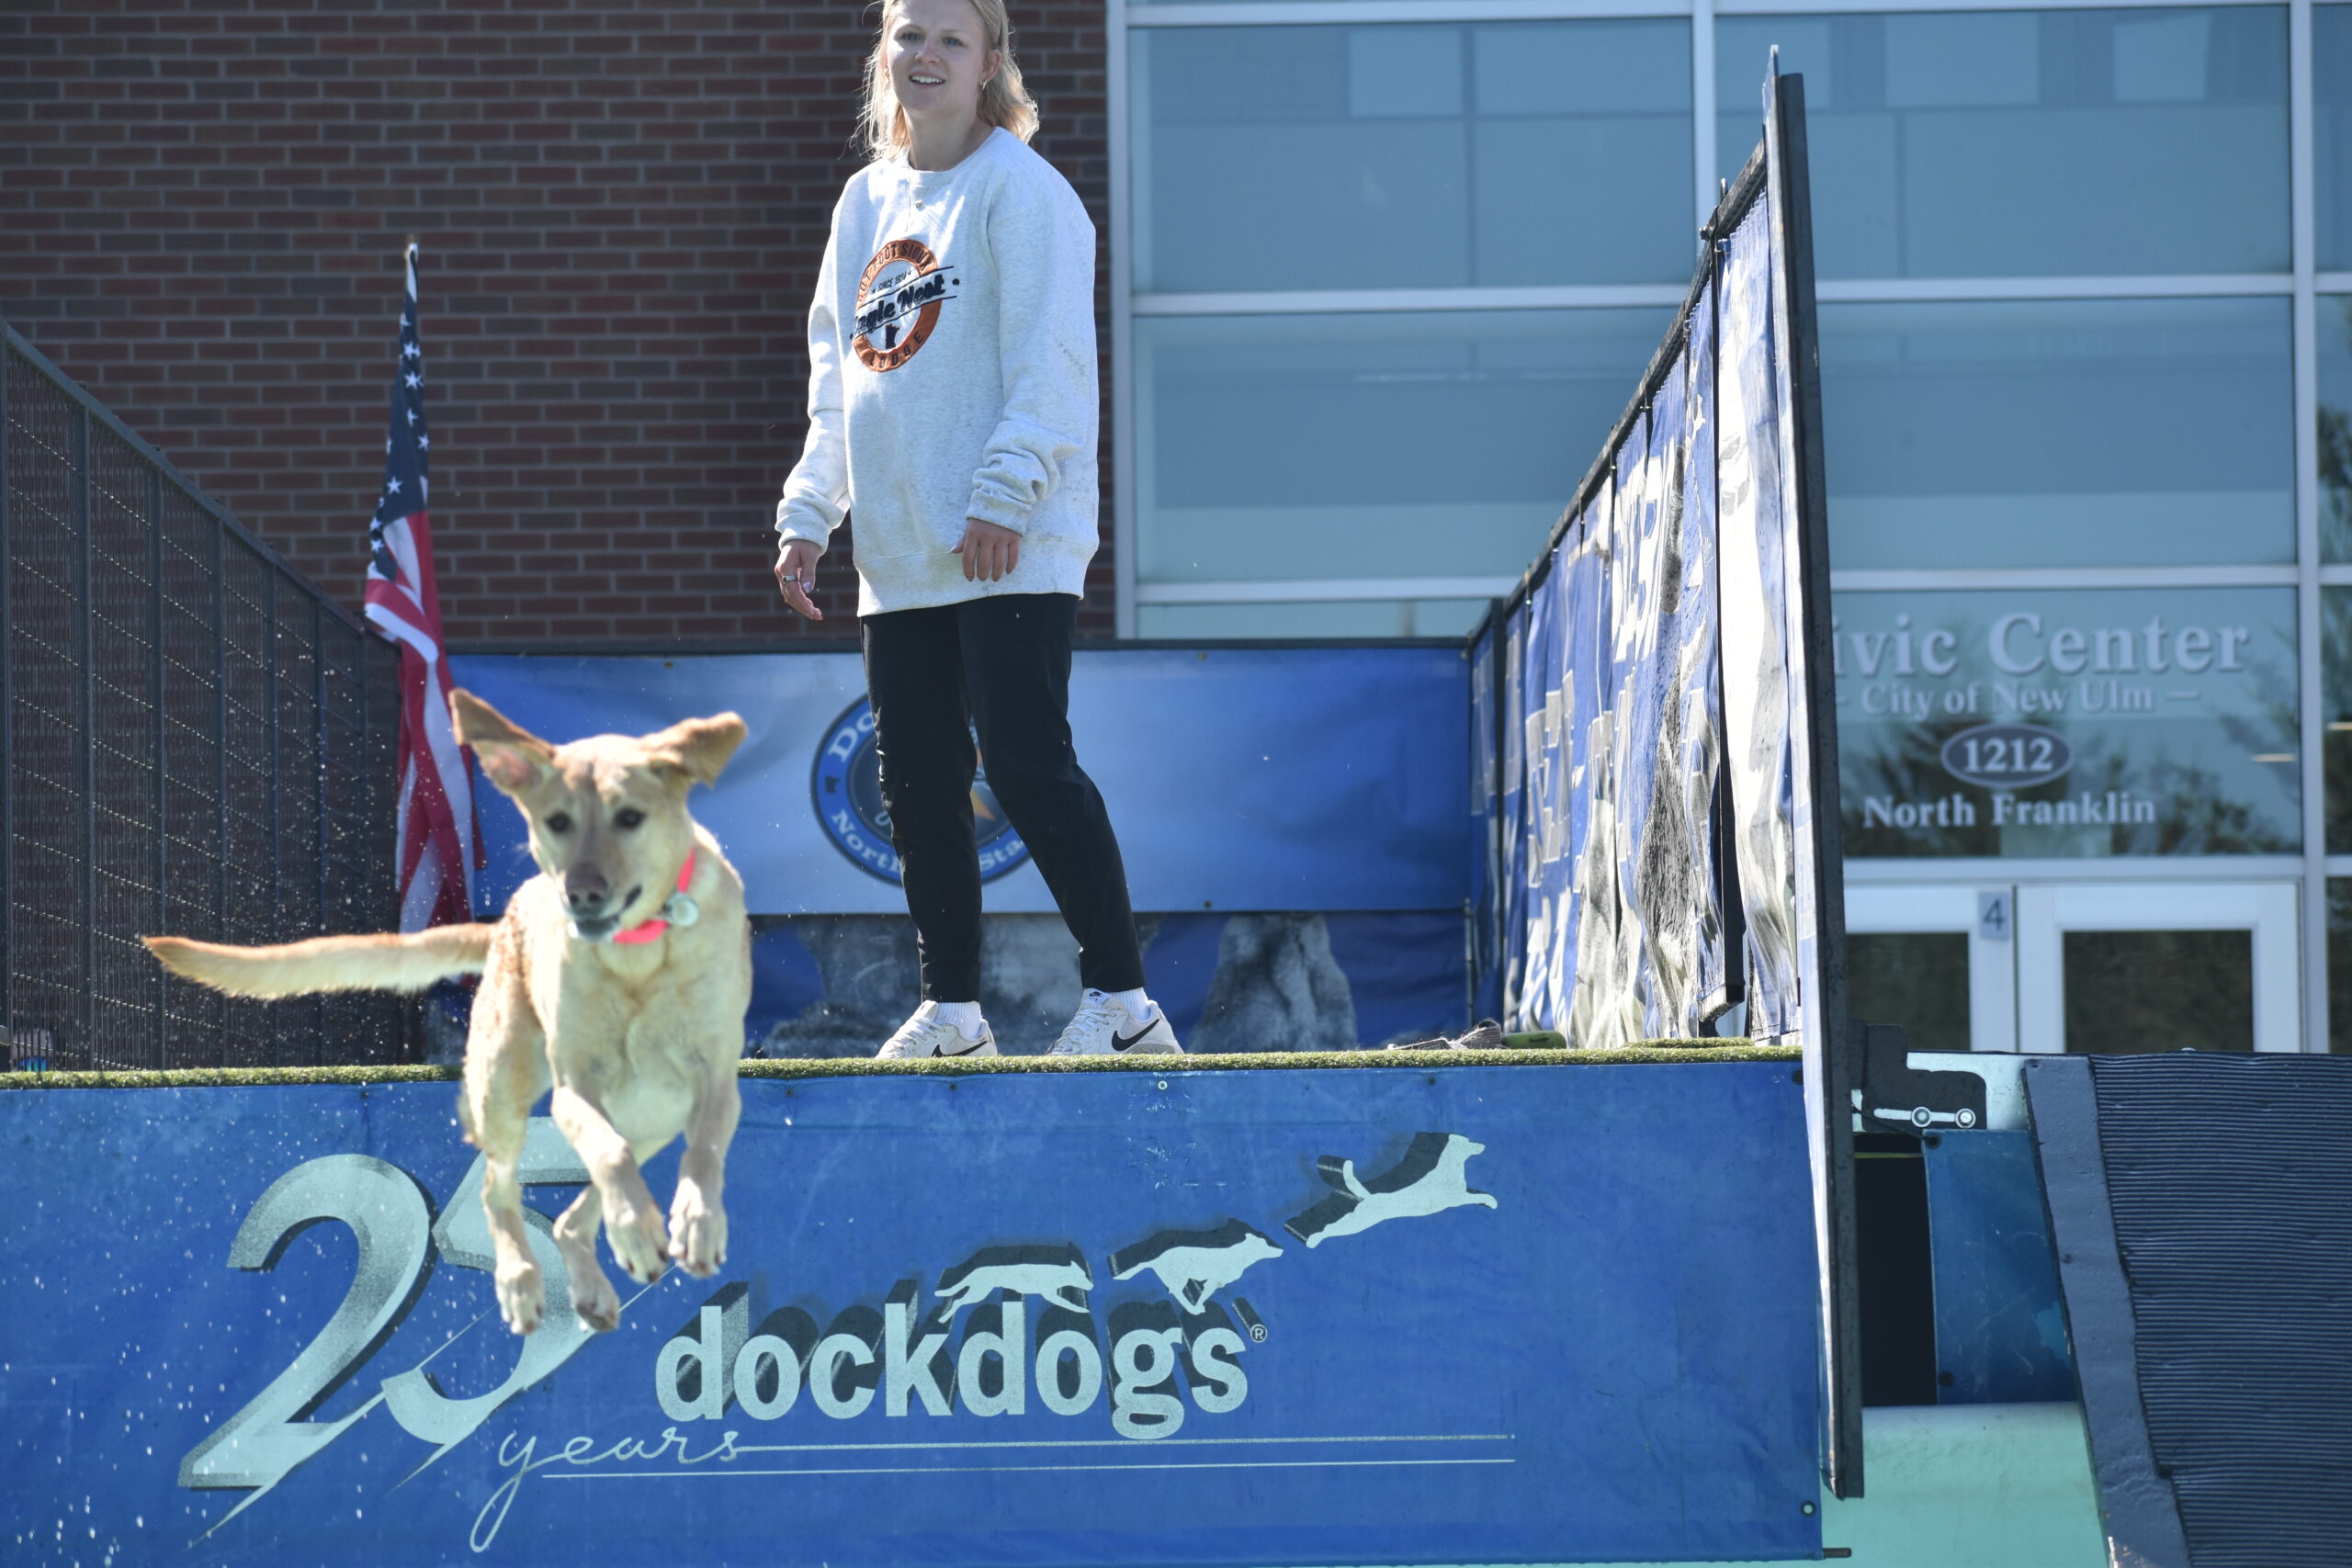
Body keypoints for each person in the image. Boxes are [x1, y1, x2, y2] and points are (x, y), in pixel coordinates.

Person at [771, 0, 1178, 1060]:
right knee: (916, 784)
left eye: (951, 39)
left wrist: (1004, 494)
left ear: (990, 62)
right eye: (909, 36)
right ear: (885, 56)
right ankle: (951, 1014)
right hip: (901, 556)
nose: (926, 56)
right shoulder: (864, 203)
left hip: (1010, 539)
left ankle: (1123, 1007)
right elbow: (839, 380)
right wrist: (811, 511)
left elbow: (1051, 362)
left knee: (1028, 765)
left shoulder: (1022, 190)